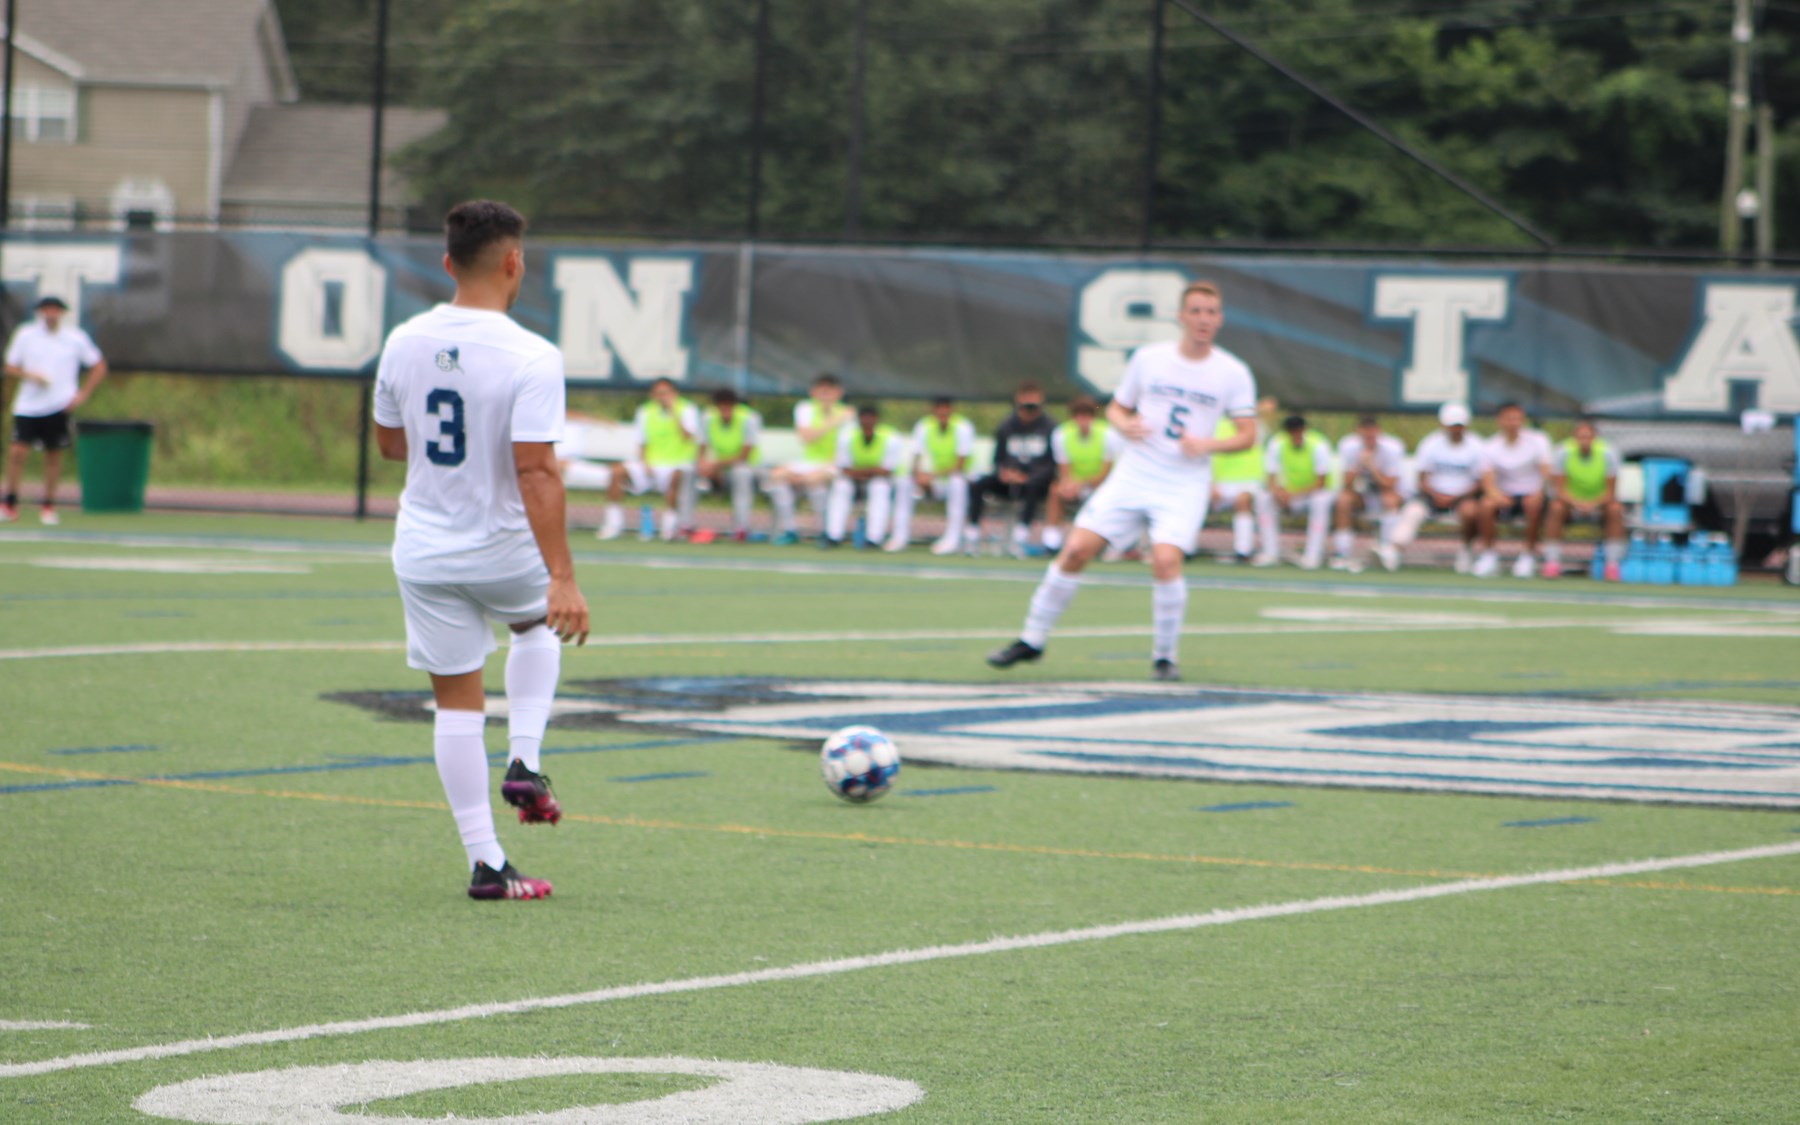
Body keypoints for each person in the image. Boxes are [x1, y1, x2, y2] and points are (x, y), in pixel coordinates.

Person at [371, 199, 589, 902]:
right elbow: (534, 469)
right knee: (535, 625)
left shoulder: (403, 339)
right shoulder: (531, 354)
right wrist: (563, 576)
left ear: (446, 263)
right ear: (513, 261)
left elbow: (390, 444)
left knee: (456, 706)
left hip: (425, 550)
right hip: (500, 546)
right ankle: (525, 756)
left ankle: (487, 862)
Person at [988, 280, 1256, 682]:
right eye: (1196, 311)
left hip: (1183, 482)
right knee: (1076, 549)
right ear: (1181, 316)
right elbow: (1116, 409)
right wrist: (1124, 423)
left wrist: (1208, 444)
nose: (1204, 319)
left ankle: (1164, 657)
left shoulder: (1232, 371)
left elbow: (1247, 434)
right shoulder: (1149, 359)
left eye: (1211, 312)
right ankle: (1031, 639)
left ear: (1220, 320)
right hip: (1135, 473)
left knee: (1166, 561)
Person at [2, 296, 108, 525]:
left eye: (55, 310)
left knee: (53, 456)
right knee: (17, 453)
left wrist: (82, 395)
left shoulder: (75, 338)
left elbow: (98, 366)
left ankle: (48, 506)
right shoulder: (26, 334)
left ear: (61, 313)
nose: (51, 314)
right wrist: (31, 376)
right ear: (40, 312)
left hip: (59, 405)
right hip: (28, 405)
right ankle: (9, 503)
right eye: (47, 310)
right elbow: (10, 366)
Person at [595, 377, 700, 542]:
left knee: (677, 475)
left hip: (678, 464)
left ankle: (669, 527)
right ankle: (613, 524)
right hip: (651, 464)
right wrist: (645, 463)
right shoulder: (645, 411)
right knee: (616, 471)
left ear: (674, 394)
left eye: (666, 393)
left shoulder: (687, 409)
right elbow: (641, 442)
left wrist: (674, 413)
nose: (662, 397)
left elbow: (689, 436)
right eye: (658, 393)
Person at [1392, 402, 1487, 574]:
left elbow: (1480, 482)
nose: (1456, 429)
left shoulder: (1477, 446)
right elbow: (1422, 479)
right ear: (1443, 425)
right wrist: (1436, 495)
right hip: (1433, 497)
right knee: (1413, 511)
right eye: (1452, 425)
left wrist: (1455, 497)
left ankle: (1467, 551)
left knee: (1471, 512)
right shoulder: (1430, 444)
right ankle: (1394, 551)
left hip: (1463, 497)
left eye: (1459, 425)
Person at [968, 382, 1057, 555]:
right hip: (1009, 480)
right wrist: (1005, 472)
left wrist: (1028, 476)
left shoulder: (1050, 427)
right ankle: (972, 534)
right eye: (1025, 406)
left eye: (1032, 406)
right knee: (979, 483)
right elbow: (998, 459)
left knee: (1033, 485)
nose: (1028, 410)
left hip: (1036, 483)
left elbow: (1051, 463)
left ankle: (1021, 536)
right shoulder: (1006, 426)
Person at [768, 373, 852, 545]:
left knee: (813, 481)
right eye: (822, 391)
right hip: (808, 462)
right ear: (813, 392)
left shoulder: (847, 414)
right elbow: (807, 437)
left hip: (834, 463)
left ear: (838, 393)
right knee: (777, 476)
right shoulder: (805, 408)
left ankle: (826, 531)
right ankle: (790, 529)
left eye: (829, 391)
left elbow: (847, 449)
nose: (825, 396)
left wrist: (823, 469)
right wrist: (833, 422)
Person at [1474, 401, 1554, 577]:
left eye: (1517, 418)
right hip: (1505, 497)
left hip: (1533, 495)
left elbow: (1547, 475)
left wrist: (1539, 493)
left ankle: (1528, 556)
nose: (1513, 423)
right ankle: (1489, 555)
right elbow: (1487, 481)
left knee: (1534, 505)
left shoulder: (1539, 441)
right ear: (1500, 420)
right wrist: (1498, 497)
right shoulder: (1490, 446)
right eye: (1508, 418)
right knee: (1486, 505)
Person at [1543, 416, 1626, 580]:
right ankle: (1552, 563)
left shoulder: (1608, 453)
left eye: (1588, 436)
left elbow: (1611, 492)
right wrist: (1577, 503)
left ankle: (1612, 565)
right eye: (1580, 436)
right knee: (1555, 508)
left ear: (1595, 438)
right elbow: (1559, 489)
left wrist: (1593, 504)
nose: (1584, 440)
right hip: (1571, 505)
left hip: (1599, 505)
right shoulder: (1562, 452)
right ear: (1574, 438)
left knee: (1615, 509)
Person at [893, 395, 975, 555]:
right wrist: (919, 476)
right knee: (904, 483)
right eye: (939, 408)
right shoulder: (924, 426)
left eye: (946, 408)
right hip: (933, 482)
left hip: (954, 480)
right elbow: (917, 456)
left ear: (951, 410)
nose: (942, 412)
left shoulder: (963, 427)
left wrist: (932, 476)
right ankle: (899, 537)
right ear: (933, 410)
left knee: (957, 483)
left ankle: (953, 539)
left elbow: (960, 465)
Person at [1042, 395, 1121, 553]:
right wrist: (1069, 486)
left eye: (1087, 415)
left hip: (1101, 487)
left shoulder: (1108, 434)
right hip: (1076, 486)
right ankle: (1051, 540)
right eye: (1078, 415)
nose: (1083, 419)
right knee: (1055, 491)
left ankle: (1110, 542)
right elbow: (1064, 470)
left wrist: (1082, 484)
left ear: (1093, 417)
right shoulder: (1061, 434)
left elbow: (1105, 474)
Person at [1256, 414, 1334, 570]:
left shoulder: (1319, 445)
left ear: (1305, 430)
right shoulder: (1277, 443)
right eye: (1292, 433)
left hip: (1311, 495)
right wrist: (1279, 492)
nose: (1296, 436)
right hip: (1290, 495)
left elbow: (1321, 483)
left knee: (1321, 501)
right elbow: (1270, 478)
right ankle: (1270, 552)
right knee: (1263, 498)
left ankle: (1312, 556)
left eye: (1299, 432)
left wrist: (1293, 495)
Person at [1331, 413, 1407, 572]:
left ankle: (1387, 552)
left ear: (1378, 432)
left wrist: (1371, 466)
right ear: (1358, 432)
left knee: (1390, 500)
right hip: (1363, 495)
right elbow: (1347, 484)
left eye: (1372, 435)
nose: (1369, 439)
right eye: (1365, 435)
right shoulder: (1348, 446)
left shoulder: (1393, 447)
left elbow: (1390, 485)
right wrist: (1360, 464)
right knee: (1343, 500)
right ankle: (1342, 553)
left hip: (1384, 493)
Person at [824, 404, 905, 548]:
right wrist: (868, 471)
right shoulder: (847, 436)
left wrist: (862, 472)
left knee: (879, 488)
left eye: (871, 418)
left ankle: (874, 538)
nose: (867, 421)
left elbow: (886, 470)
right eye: (864, 418)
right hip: (853, 480)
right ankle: (833, 536)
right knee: (840, 487)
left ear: (877, 420)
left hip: (878, 480)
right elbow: (844, 468)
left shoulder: (891, 437)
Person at [1208, 396, 1275, 564]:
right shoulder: (1216, 426)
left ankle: (1243, 551)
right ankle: (1185, 549)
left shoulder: (1256, 427)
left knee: (1243, 500)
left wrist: (1256, 409)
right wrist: (1212, 484)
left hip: (1248, 482)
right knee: (1195, 498)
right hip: (1221, 483)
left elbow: (1266, 409)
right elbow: (1208, 457)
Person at [697, 387, 763, 541]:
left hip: (749, 468)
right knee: (687, 472)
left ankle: (741, 528)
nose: (725, 410)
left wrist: (716, 465)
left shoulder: (749, 418)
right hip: (721, 468)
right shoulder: (708, 417)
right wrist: (703, 464)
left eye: (728, 406)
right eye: (721, 407)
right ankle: (684, 525)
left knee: (741, 474)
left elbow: (744, 456)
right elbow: (702, 447)